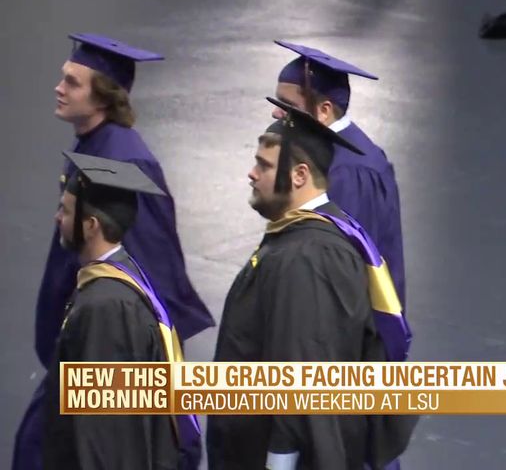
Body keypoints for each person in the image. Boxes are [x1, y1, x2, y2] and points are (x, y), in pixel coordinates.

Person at [14, 33, 211, 470]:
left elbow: (150, 264)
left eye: (72, 82)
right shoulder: (92, 144)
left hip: (104, 344)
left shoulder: (127, 163)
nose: (58, 87)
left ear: (102, 97)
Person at [207, 98, 415, 470]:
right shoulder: (316, 234)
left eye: (263, 165)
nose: (252, 174)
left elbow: (300, 378)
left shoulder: (308, 257)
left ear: (300, 175)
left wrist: (280, 462)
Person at [42, 152, 201, 470]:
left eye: (65, 209)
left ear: (90, 226)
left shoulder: (106, 309)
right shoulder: (123, 278)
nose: (57, 218)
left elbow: (107, 437)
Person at [271, 41, 407, 308]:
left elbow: (344, 266)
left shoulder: (350, 172)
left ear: (324, 110)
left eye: (287, 104)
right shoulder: (325, 150)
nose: (276, 112)